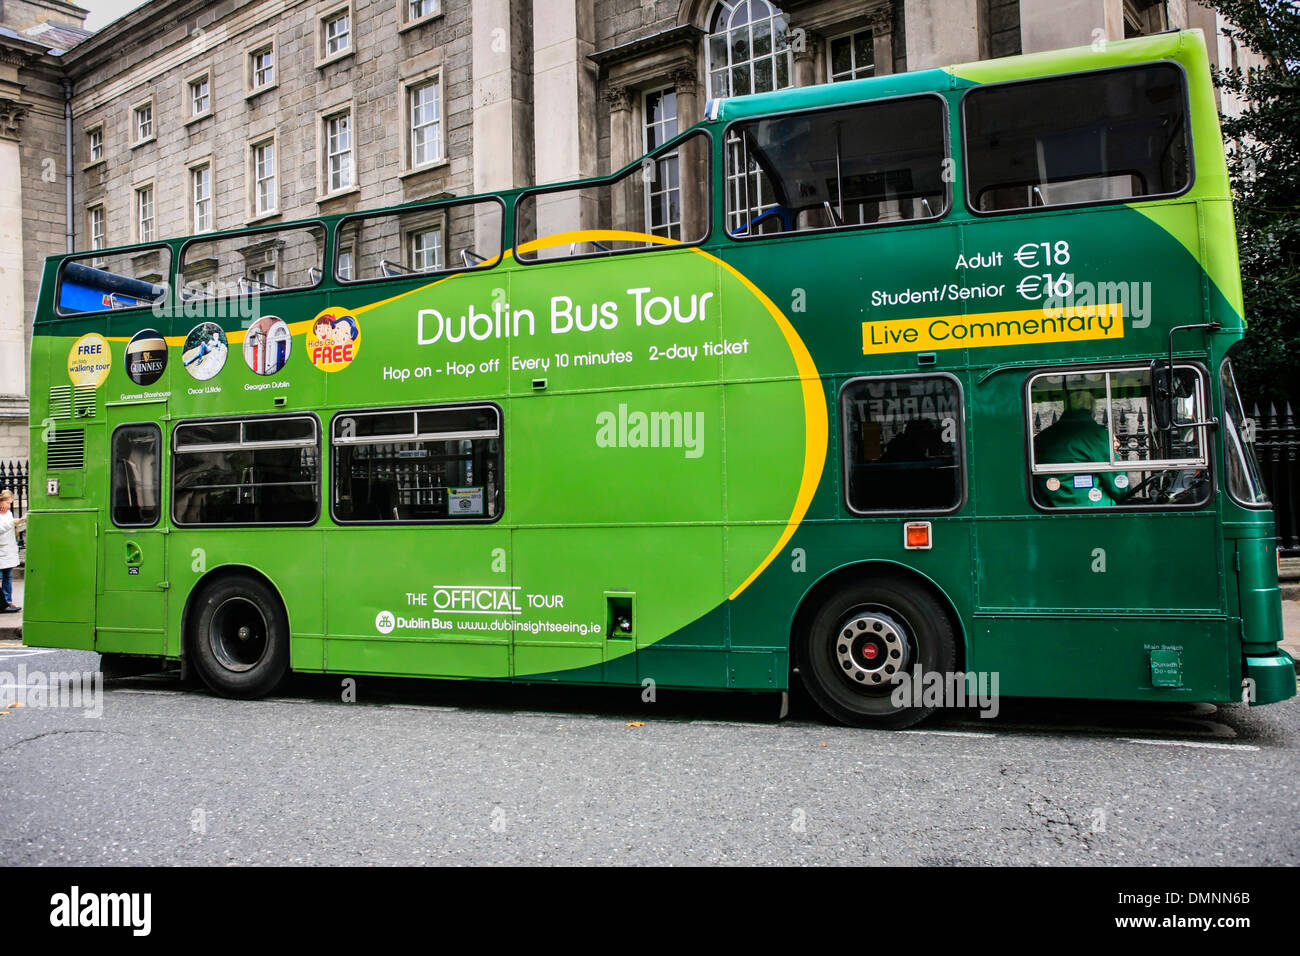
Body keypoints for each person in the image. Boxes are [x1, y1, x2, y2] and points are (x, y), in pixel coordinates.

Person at [1034, 389, 1127, 507]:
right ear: (1091, 411)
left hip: (1049, 506)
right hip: (1094, 507)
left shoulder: (1042, 438)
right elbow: (1117, 483)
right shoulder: (1097, 435)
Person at [0, 489, 24, 612]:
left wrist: (19, 523)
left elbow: (9, 528)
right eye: (7, 503)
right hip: (1, 550)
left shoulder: (8, 513)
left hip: (8, 550)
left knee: (8, 577)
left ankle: (8, 601)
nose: (8, 506)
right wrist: (11, 523)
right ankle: (3, 602)